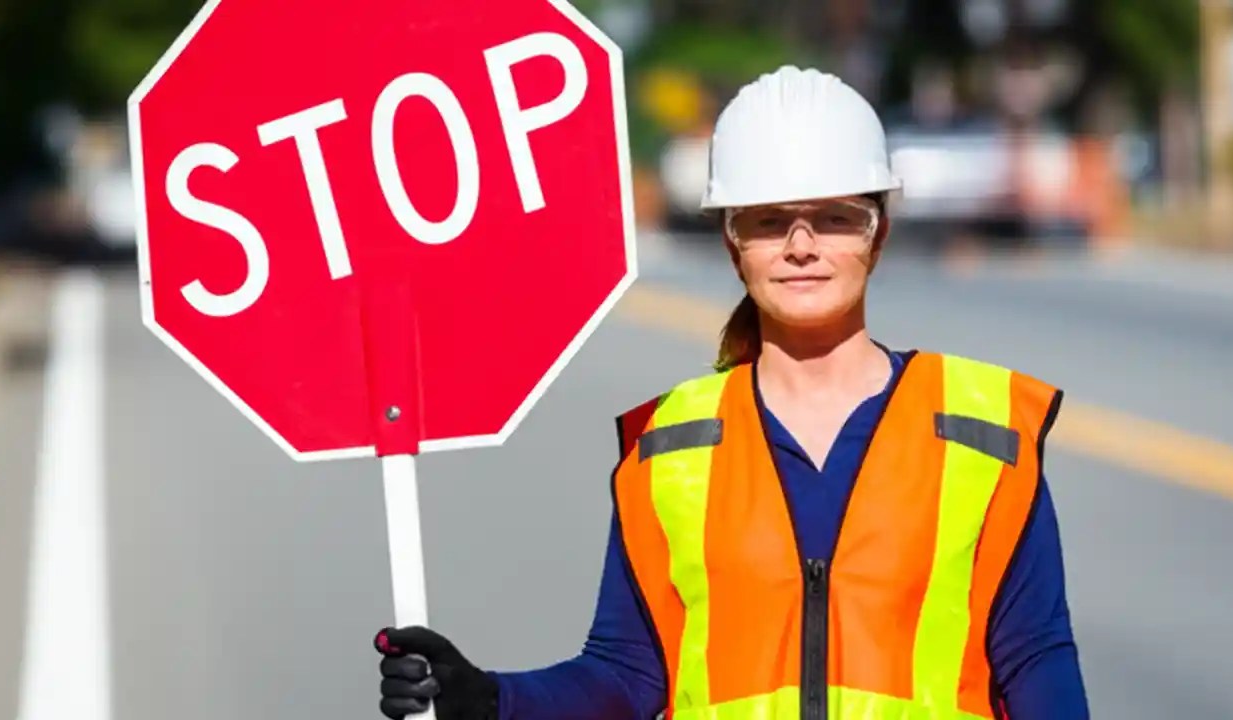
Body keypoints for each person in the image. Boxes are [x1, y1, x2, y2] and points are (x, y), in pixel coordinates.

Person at [373, 65, 1089, 720]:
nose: (802, 245)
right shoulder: (670, 448)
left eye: (836, 216)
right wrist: (491, 699)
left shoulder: (982, 433)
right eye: (768, 221)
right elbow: (626, 673)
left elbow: (1036, 662)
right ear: (730, 241)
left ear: (879, 232)